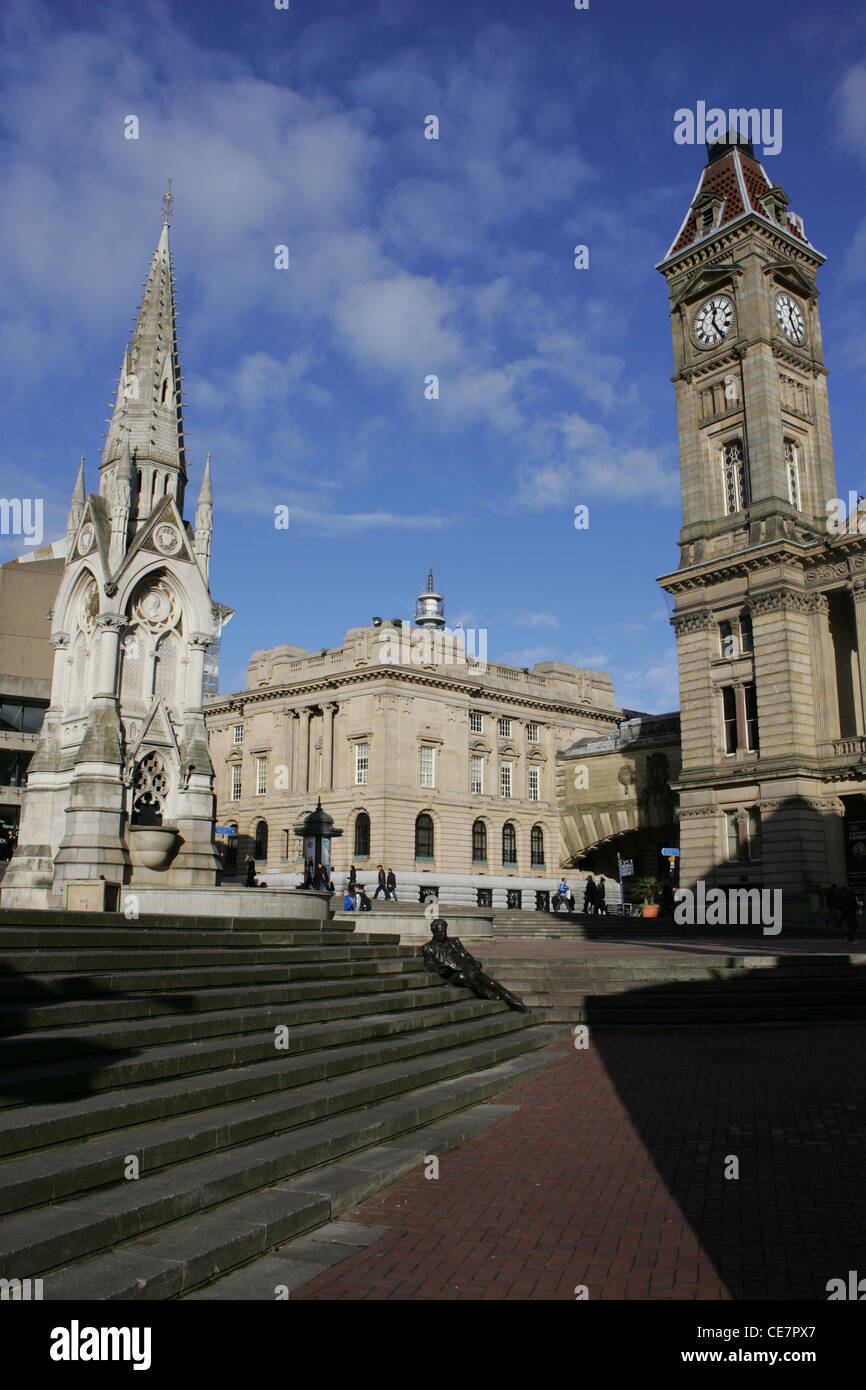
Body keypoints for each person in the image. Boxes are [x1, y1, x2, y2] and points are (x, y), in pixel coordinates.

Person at [422, 918, 529, 1013]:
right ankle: (489, 994)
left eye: (444, 931)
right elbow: (429, 965)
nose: (443, 934)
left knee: (492, 983)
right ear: (434, 932)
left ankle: (518, 1004)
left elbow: (465, 955)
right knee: (463, 977)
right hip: (453, 974)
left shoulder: (454, 941)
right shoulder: (428, 947)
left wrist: (474, 962)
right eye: (440, 932)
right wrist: (439, 969)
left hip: (467, 968)